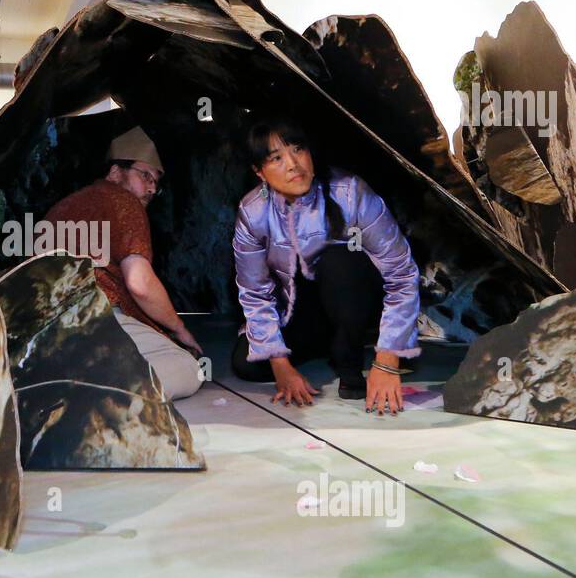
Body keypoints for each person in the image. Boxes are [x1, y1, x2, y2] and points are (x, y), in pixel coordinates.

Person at [231, 120, 421, 414]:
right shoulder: (253, 211)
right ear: (260, 173)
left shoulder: (350, 192)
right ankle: (321, 346)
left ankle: (349, 354)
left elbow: (402, 274)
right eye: (277, 158)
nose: (293, 164)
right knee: (247, 365)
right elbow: (255, 292)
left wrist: (388, 360)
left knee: (340, 259)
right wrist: (280, 364)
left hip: (351, 301)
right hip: (300, 312)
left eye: (298, 150)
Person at [44, 127, 203, 401]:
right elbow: (140, 284)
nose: (152, 188)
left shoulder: (63, 206)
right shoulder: (125, 202)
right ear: (116, 172)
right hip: (94, 314)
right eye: (145, 175)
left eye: (156, 181)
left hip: (46, 324)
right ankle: (94, 391)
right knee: (190, 368)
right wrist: (180, 329)